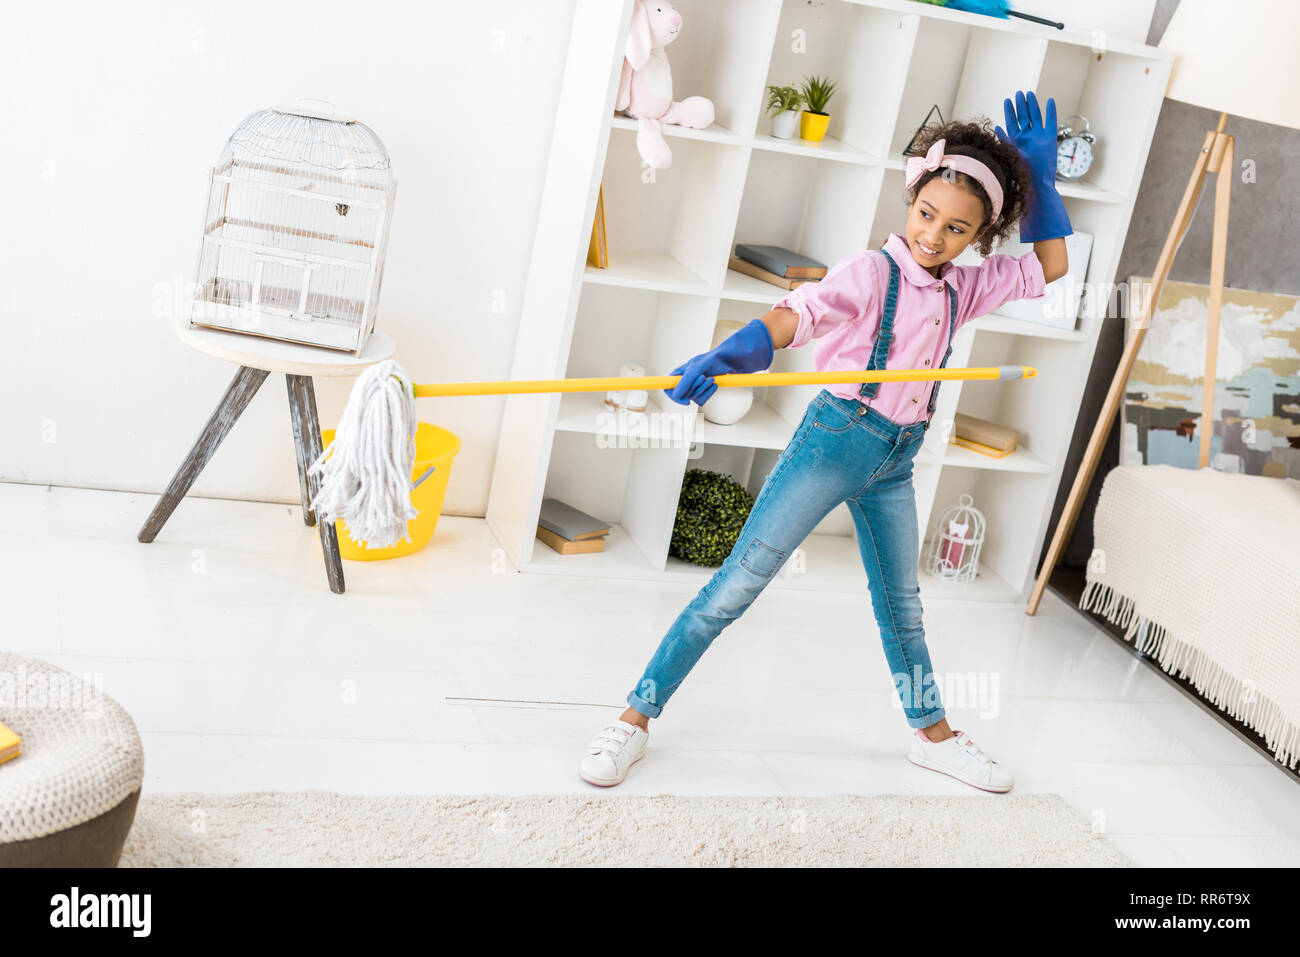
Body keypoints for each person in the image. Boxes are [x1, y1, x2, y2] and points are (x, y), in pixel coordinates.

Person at [579, 90, 1072, 793]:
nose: (934, 236)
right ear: (911, 200)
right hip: (835, 440)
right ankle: (632, 720)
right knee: (736, 586)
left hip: (897, 460)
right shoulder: (869, 274)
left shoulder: (968, 287)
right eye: (926, 214)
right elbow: (795, 316)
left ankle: (933, 736)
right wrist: (728, 352)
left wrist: (1045, 181)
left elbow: (1049, 268)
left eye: (957, 228)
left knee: (901, 605)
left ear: (978, 236)